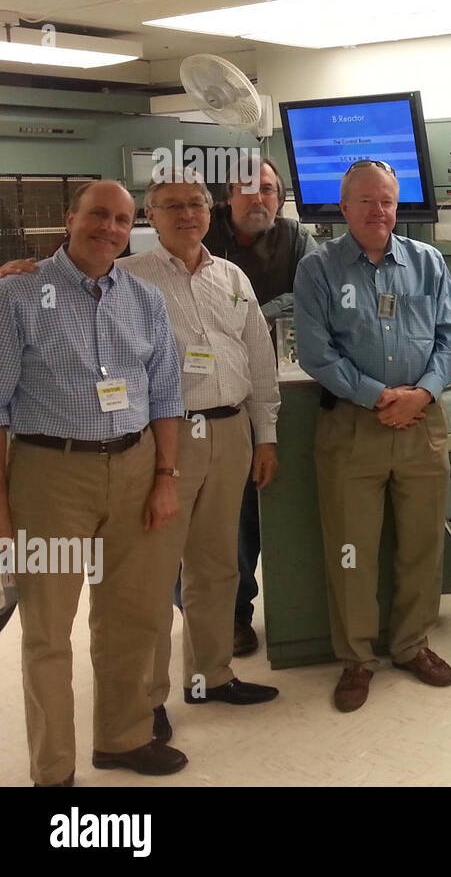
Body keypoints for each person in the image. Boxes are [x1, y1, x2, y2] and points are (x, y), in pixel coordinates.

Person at [0, 181, 187, 784]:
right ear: (69, 218)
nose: (109, 228)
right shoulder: (18, 296)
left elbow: (165, 395)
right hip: (50, 477)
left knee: (132, 615)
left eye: (122, 219)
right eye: (98, 215)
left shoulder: (144, 300)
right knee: (49, 631)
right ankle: (53, 770)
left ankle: (123, 738)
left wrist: (165, 476)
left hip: (135, 468)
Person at [293, 160, 451, 713]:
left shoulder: (428, 262)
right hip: (352, 427)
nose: (378, 211)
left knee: (420, 544)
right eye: (366, 201)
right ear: (344, 208)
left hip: (422, 423)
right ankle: (357, 659)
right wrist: (377, 397)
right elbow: (317, 352)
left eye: (387, 201)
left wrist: (421, 394)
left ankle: (412, 644)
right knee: (352, 549)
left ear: (399, 206)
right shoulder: (318, 269)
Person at [120, 176, 282, 742]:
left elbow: (259, 362)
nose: (186, 214)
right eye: (171, 206)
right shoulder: (128, 277)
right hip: (165, 440)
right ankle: (145, 700)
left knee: (218, 566)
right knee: (154, 572)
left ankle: (210, 676)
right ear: (150, 215)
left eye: (194, 204)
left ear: (209, 212)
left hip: (231, 430)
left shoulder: (232, 277)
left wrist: (266, 436)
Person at [205, 157, 317, 657]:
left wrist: (249, 312)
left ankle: (302, 610)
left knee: (291, 502)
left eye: (269, 190)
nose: (259, 200)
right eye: (248, 190)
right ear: (229, 197)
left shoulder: (295, 239)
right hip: (221, 394)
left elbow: (313, 292)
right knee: (235, 515)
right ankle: (234, 615)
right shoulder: (203, 235)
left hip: (288, 387)